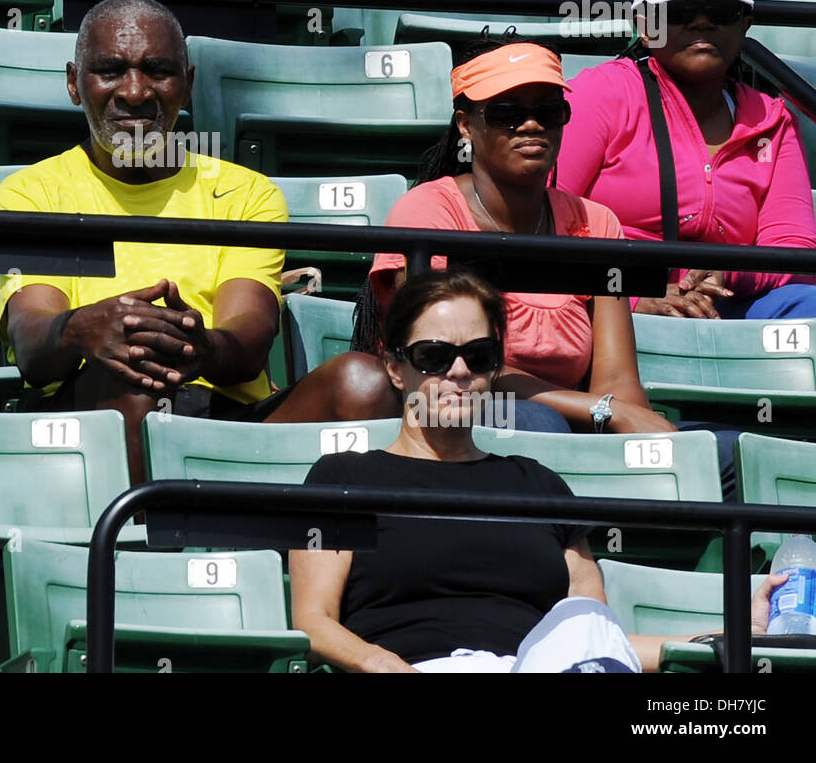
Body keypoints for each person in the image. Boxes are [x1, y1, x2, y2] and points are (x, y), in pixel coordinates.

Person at [289, 268, 785, 673]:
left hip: (537, 667)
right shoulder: (344, 478)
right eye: (434, 357)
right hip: (422, 667)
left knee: (582, 617)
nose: (459, 372)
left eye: (478, 356)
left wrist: (730, 634)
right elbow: (313, 621)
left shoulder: (537, 484)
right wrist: (387, 667)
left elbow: (597, 636)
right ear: (396, 368)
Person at [0, 0, 385, 483]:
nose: (135, 92)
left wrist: (199, 346)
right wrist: (81, 330)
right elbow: (31, 345)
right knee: (133, 369)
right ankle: (141, 551)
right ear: (75, 83)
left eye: (158, 70)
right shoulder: (31, 193)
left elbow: (250, 339)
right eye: (110, 70)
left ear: (189, 83)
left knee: (363, 382)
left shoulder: (244, 192)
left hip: (228, 422)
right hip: (93, 422)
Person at [364, 37, 675, 435]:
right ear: (465, 125)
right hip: (453, 408)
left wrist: (639, 439)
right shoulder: (428, 212)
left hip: (574, 419)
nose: (531, 125)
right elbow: (449, 360)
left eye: (548, 111)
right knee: (539, 423)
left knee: (717, 451)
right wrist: (600, 410)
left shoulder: (596, 222)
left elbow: (617, 380)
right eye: (505, 113)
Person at [557, 0, 816, 320]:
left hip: (730, 302)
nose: (701, 22)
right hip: (610, 302)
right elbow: (541, 221)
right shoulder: (601, 93)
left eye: (721, 11)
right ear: (645, 28)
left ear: (745, 25)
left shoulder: (772, 119)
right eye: (678, 11)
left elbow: (791, 247)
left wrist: (732, 272)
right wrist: (629, 298)